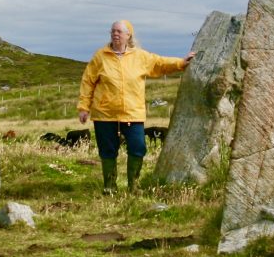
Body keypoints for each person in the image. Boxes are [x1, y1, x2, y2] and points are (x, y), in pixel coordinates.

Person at [77, 19, 194, 195]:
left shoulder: (140, 56)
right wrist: (83, 107)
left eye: (119, 31)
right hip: (105, 114)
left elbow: (159, 63)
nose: (115, 34)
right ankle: (110, 187)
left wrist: (180, 63)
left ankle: (133, 187)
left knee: (138, 147)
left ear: (128, 35)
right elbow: (88, 82)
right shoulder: (100, 57)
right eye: (113, 31)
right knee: (107, 150)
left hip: (132, 113)